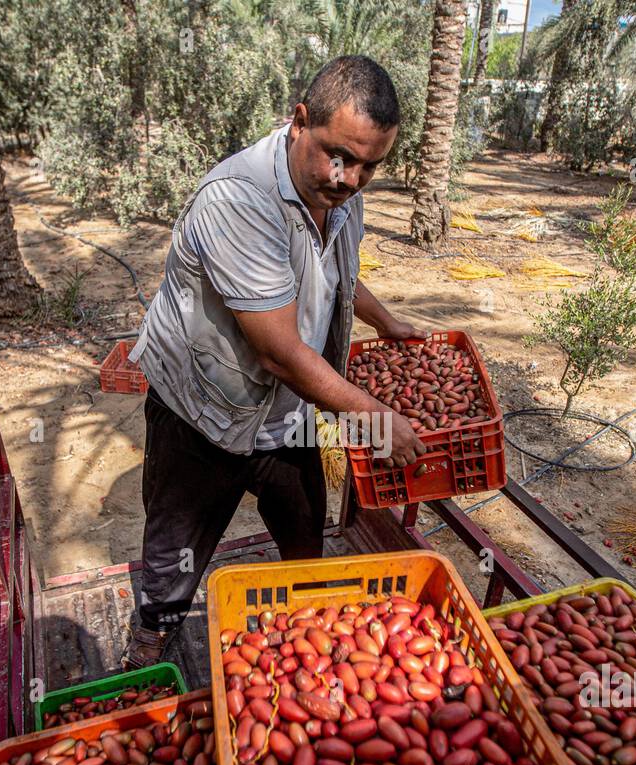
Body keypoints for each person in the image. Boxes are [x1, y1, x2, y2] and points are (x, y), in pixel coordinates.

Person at [123, 55, 427, 670]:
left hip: (288, 412)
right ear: (299, 121)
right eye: (340, 155)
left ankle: (307, 619)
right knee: (176, 545)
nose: (353, 178)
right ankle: (153, 633)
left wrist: (384, 320)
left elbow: (334, 274)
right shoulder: (239, 201)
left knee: (303, 524)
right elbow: (279, 351)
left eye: (373, 164)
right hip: (205, 408)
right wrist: (376, 416)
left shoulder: (339, 194)